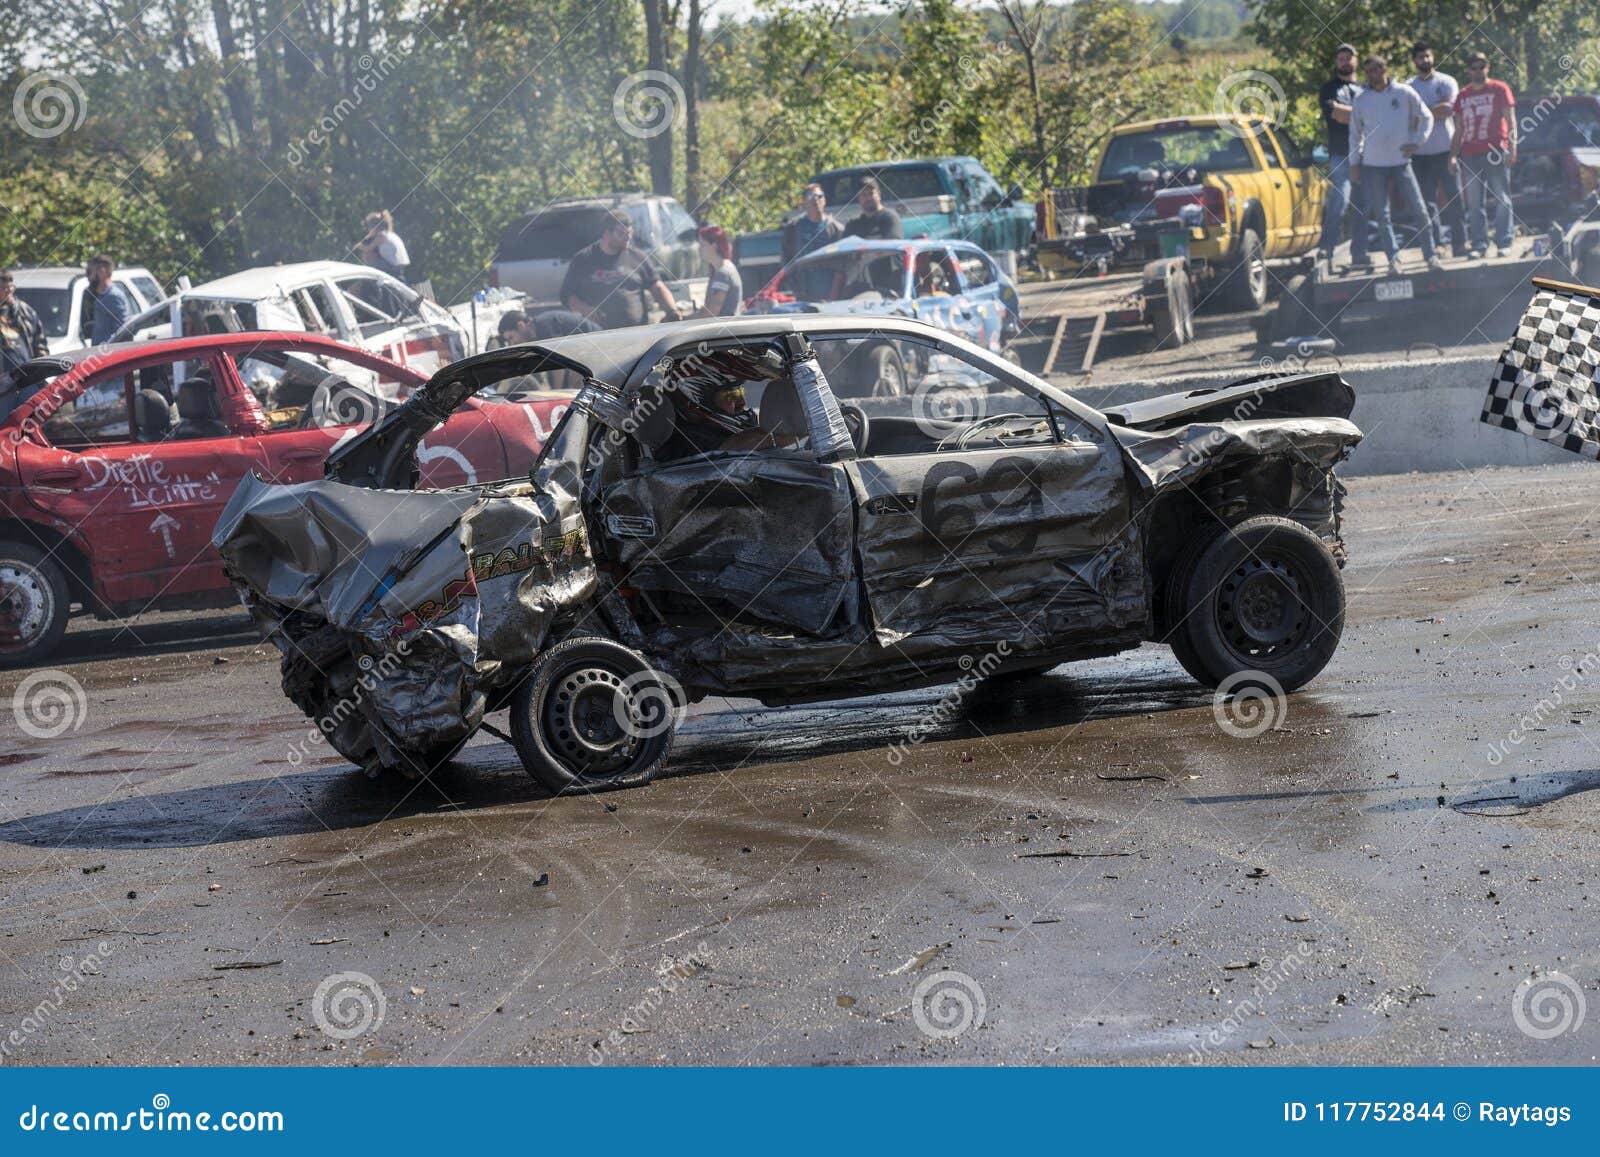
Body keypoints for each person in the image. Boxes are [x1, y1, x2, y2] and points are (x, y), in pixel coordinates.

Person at [1350, 54, 1441, 275]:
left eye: (1377, 69)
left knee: (1419, 210)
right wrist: (1354, 163)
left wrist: (1417, 142)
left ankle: (1431, 256)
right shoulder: (1361, 99)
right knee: (1382, 215)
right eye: (1369, 71)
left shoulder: (1404, 92)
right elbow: (1354, 134)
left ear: (1385, 69)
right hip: (1373, 164)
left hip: (1401, 162)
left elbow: (1427, 116)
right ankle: (1393, 259)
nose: (1373, 75)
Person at [561, 209, 682, 329]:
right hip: (598, 335)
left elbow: (658, 288)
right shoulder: (583, 259)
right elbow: (566, 295)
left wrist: (672, 311)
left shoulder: (638, 257)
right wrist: (586, 310)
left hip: (637, 333)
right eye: (621, 233)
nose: (627, 237)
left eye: (629, 233)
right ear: (606, 233)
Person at [1450, 52, 1517, 258]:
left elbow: (1511, 120)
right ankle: (1479, 244)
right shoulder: (1463, 95)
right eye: (1474, 67)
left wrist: (1512, 147)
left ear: (1487, 67)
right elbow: (1459, 128)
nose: (1478, 70)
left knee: (1502, 198)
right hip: (1470, 153)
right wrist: (1452, 156)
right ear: (1468, 70)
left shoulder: (1499, 89)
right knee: (1474, 202)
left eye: (1482, 66)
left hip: (1496, 150)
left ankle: (1504, 241)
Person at [1407, 42, 1469, 259]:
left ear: (1433, 57)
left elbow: (1447, 110)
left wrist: (1422, 114)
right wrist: (1432, 111)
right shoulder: (1409, 87)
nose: (1425, 60)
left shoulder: (1446, 81)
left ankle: (1461, 243)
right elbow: (1408, 118)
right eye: (1421, 57)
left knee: (1455, 198)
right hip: (1420, 154)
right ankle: (1438, 245)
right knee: (1427, 203)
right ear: (1414, 61)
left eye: (1428, 56)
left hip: (1447, 150)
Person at [1318, 43, 1371, 272]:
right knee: (1340, 200)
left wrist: (1352, 114)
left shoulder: (1366, 88)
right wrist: (1363, 115)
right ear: (1336, 62)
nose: (1345, 61)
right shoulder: (1329, 88)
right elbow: (1336, 115)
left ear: (1356, 61)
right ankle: (1326, 248)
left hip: (1366, 154)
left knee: (1363, 206)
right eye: (1340, 58)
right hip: (1341, 153)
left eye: (1349, 57)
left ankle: (1359, 253)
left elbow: (1374, 118)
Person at [780, 184, 844, 300]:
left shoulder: (837, 229)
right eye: (811, 196)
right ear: (804, 202)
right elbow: (786, 262)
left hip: (833, 293)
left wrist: (836, 292)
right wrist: (795, 288)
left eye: (819, 196)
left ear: (824, 200)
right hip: (803, 293)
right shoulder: (793, 229)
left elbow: (843, 264)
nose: (816, 200)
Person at [0, 268, 49, 379]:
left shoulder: (25, 311)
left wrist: (41, 371)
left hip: (25, 379)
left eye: (11, 287)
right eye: (3, 288)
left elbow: (40, 343)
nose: (9, 291)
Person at [691, 226, 743, 318]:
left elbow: (711, 312)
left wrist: (682, 320)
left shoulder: (723, 273)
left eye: (702, 244)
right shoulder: (719, 270)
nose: (699, 249)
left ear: (714, 245)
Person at [80, 255, 129, 346]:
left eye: (90, 272)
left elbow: (122, 332)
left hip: (109, 354)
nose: (88, 277)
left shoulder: (113, 296)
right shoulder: (102, 296)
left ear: (102, 272)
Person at [357, 210, 411, 279]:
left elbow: (368, 248)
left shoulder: (381, 236)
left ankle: (370, 283)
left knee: (369, 263)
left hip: (393, 265)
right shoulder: (390, 234)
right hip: (400, 264)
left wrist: (358, 246)